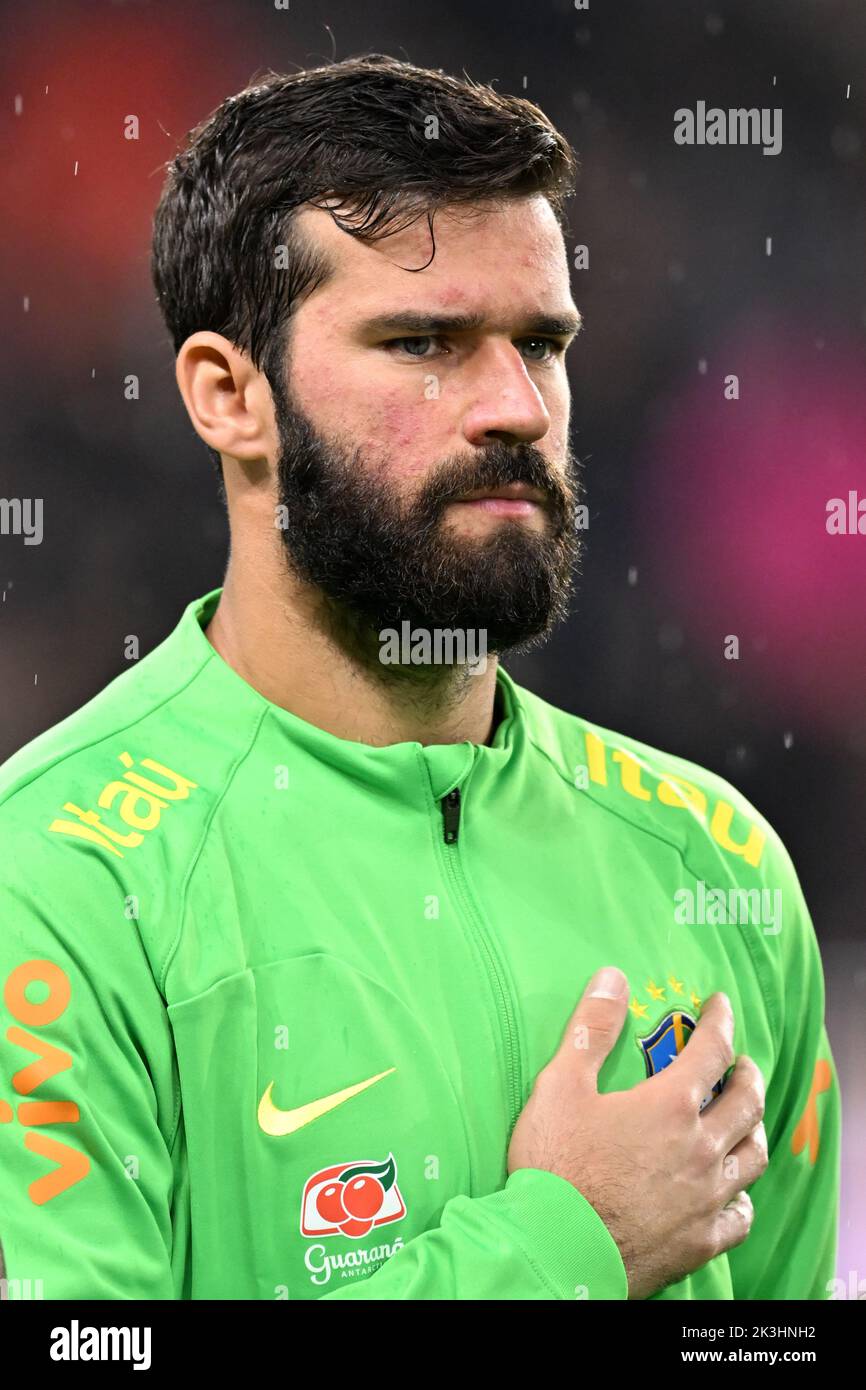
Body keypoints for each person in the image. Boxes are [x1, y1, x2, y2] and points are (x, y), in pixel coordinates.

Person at [0, 55, 838, 1301]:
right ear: (229, 395)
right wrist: (564, 1247)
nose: (514, 406)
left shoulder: (716, 860)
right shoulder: (60, 879)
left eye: (541, 344)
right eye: (424, 341)